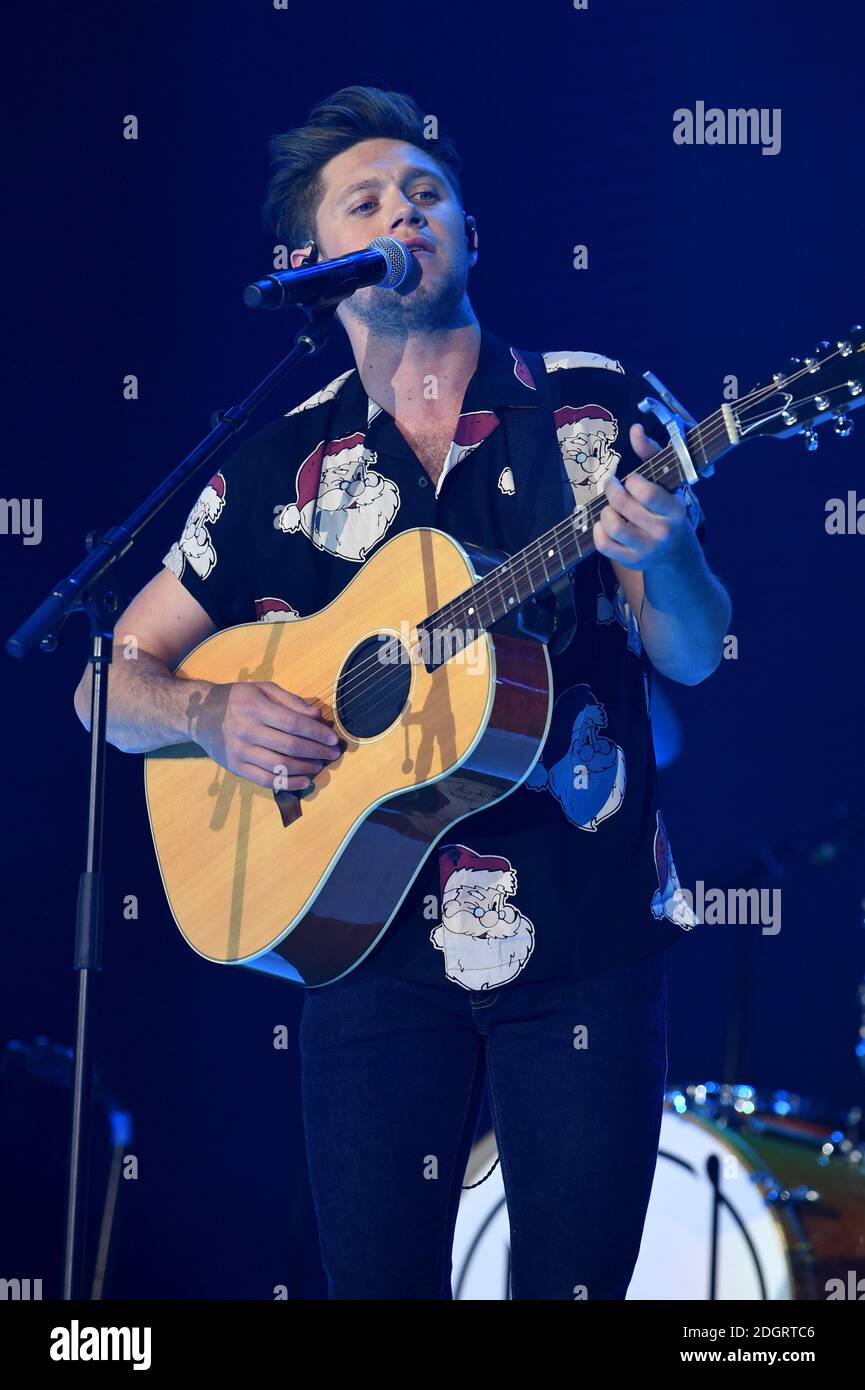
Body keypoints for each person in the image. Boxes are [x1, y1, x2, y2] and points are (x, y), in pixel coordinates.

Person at [73, 85, 731, 1300]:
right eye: (367, 202)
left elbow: (691, 652)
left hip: (585, 936)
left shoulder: (590, 406)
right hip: (363, 950)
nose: (404, 215)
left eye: (427, 196)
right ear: (312, 265)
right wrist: (213, 715)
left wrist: (667, 551)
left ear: (470, 234)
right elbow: (107, 682)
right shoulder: (272, 465)